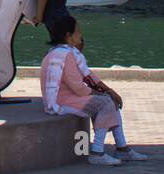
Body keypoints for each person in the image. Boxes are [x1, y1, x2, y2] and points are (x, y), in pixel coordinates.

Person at [41, 14, 147, 165]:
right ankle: (97, 153)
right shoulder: (65, 55)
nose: (81, 35)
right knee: (105, 103)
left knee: (109, 99)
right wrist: (103, 94)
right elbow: (78, 87)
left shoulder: (62, 53)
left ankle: (122, 149)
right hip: (60, 102)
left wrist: (108, 90)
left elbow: (89, 76)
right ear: (68, 35)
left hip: (67, 98)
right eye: (78, 31)